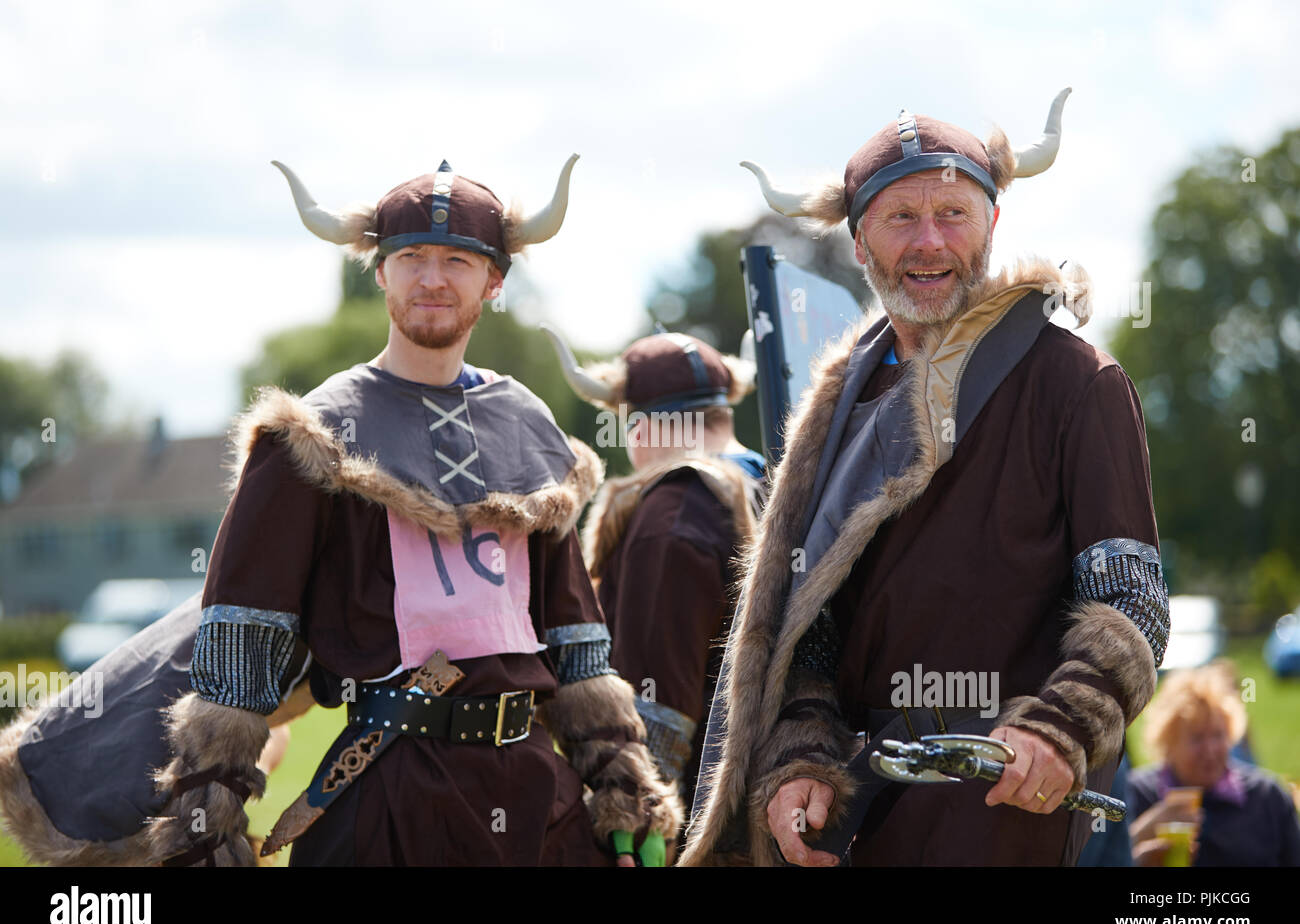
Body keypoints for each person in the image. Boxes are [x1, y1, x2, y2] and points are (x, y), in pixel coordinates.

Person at [143, 155, 680, 866]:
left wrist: (620, 776)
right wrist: (204, 818)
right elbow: (243, 641)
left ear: (493, 282)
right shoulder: (314, 436)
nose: (432, 278)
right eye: (411, 257)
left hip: (535, 797)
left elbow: (571, 628)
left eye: (458, 260)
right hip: (388, 794)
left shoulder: (525, 422)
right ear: (380, 272)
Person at [682, 89, 1170, 866]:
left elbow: (1132, 601)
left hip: (1004, 801)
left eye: (953, 213)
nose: (930, 242)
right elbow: (812, 635)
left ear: (993, 224)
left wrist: (1061, 729)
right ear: (858, 240)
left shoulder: (1075, 383)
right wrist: (799, 762)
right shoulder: (835, 409)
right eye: (901, 217)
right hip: (854, 815)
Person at [543, 327, 766, 812]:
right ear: (723, 414)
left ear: (638, 427)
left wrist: (639, 819)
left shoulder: (671, 517)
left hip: (701, 825)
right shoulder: (771, 489)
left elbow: (656, 711)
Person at [1128, 661, 1300, 866]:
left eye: (1218, 736)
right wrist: (1147, 828)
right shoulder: (1137, 795)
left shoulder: (1267, 796)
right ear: (1168, 743)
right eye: (1197, 738)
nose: (1210, 751)